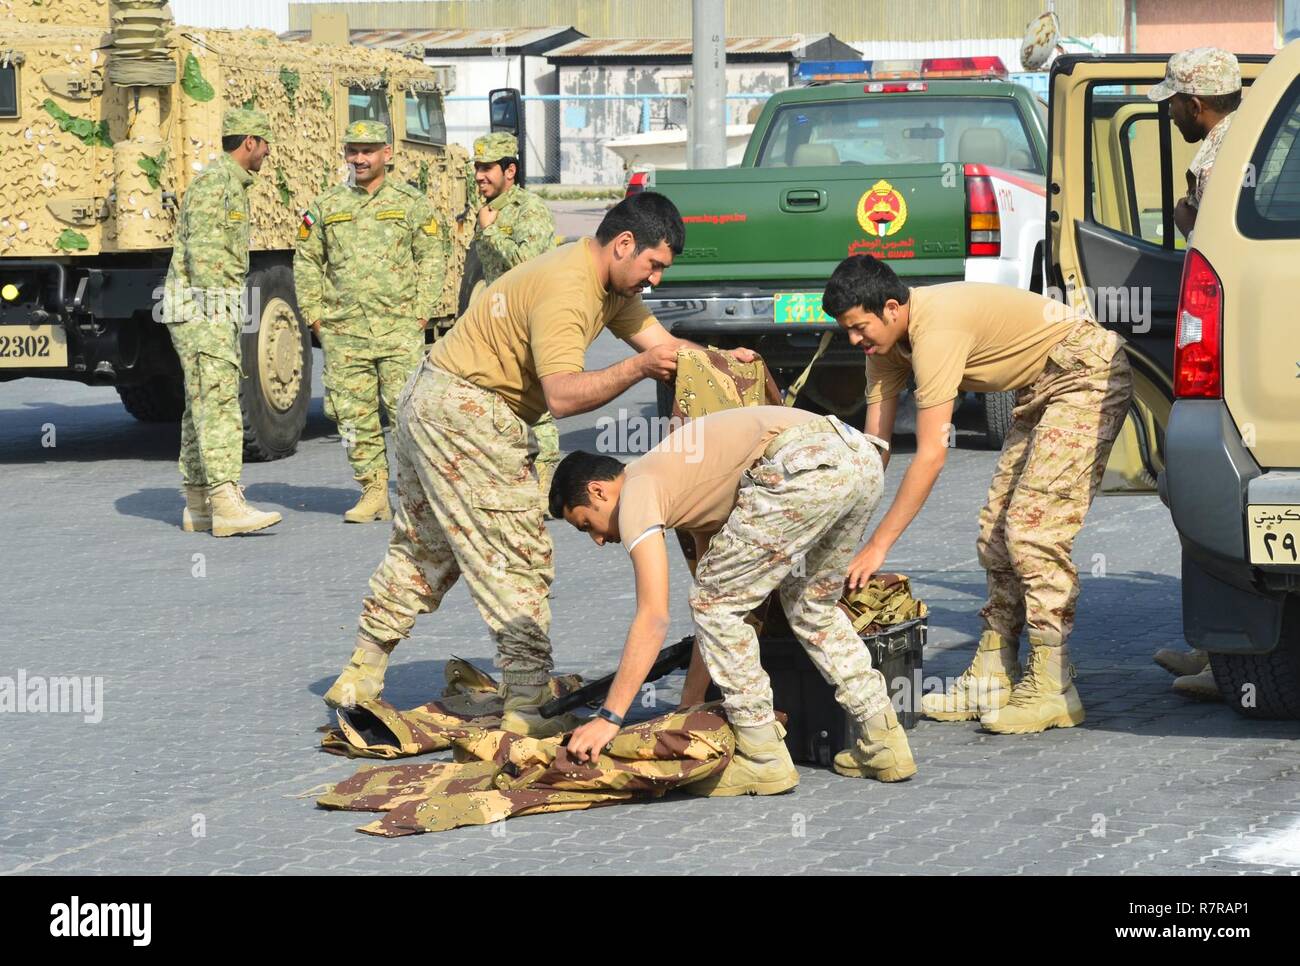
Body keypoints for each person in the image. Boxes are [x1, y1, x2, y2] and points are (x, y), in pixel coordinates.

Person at [321, 192, 752, 736]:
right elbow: (564, 397)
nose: (656, 281)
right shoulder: (569, 289)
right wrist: (636, 368)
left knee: (424, 547)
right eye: (654, 266)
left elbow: (664, 345)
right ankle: (527, 705)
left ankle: (361, 674)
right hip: (468, 412)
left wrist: (715, 361)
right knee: (515, 555)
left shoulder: (611, 286)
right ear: (624, 244)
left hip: (431, 400)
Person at [828, 255, 1133, 734]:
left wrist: (878, 546)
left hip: (1085, 374)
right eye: (846, 330)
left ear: (890, 307)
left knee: (1033, 532)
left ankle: (1053, 687)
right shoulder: (883, 349)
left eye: (859, 327)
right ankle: (993, 674)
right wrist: (840, 532)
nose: (854, 340)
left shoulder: (936, 330)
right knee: (995, 532)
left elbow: (930, 455)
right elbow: (876, 453)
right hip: (1038, 389)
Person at [550, 407, 914, 795]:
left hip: (806, 465)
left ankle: (763, 758)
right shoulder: (683, 484)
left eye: (586, 524)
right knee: (811, 608)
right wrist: (689, 706)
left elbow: (655, 615)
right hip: (857, 457)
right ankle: (884, 741)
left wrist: (610, 717)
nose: (598, 540)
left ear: (598, 490)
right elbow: (720, 607)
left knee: (713, 604)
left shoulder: (638, 490)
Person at [294, 120, 446, 523]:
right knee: (352, 413)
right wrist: (315, 316)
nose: (359, 158)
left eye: (368, 151)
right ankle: (373, 491)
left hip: (398, 329)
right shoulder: (326, 206)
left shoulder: (411, 203)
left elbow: (431, 255)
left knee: (407, 415)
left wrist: (421, 311)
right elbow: (307, 261)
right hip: (344, 331)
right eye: (352, 150)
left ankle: (415, 494)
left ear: (387, 154)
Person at [162, 107, 281, 537]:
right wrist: (220, 317)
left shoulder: (229, 184)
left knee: (201, 403)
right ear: (249, 142)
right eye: (265, 143)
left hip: (201, 308)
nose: (267, 152)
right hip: (204, 309)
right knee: (219, 403)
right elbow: (208, 259)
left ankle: (198, 504)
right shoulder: (218, 186)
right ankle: (227, 502)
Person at [469, 132, 562, 498]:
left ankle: (546, 479)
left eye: (487, 168)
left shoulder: (530, 210)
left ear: (510, 170)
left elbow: (529, 264)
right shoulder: (486, 208)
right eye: (477, 167)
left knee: (535, 400)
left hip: (529, 318)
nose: (479, 175)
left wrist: (490, 232)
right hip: (497, 320)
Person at [1148, 47, 1242, 240]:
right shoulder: (1264, 136)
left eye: (1172, 103)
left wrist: (1189, 228)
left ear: (1194, 107)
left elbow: (1221, 257)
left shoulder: (1214, 169)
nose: (1170, 113)